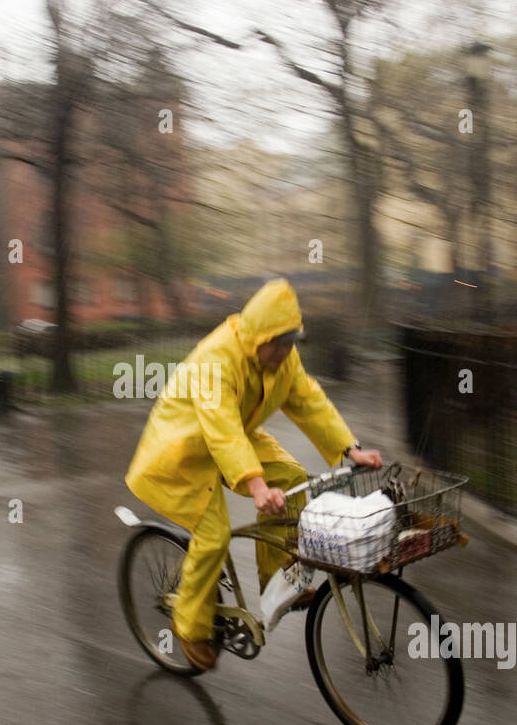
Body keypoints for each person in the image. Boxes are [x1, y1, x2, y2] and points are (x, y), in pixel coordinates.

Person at [124, 279, 383, 671]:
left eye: (290, 343)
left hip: (233, 441)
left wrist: (351, 448)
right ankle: (190, 624)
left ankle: (279, 580)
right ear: (257, 337)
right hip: (182, 450)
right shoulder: (217, 358)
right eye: (278, 345)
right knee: (213, 536)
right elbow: (221, 428)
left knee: (294, 479)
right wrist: (256, 484)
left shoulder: (283, 356)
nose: (284, 353)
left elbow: (308, 399)